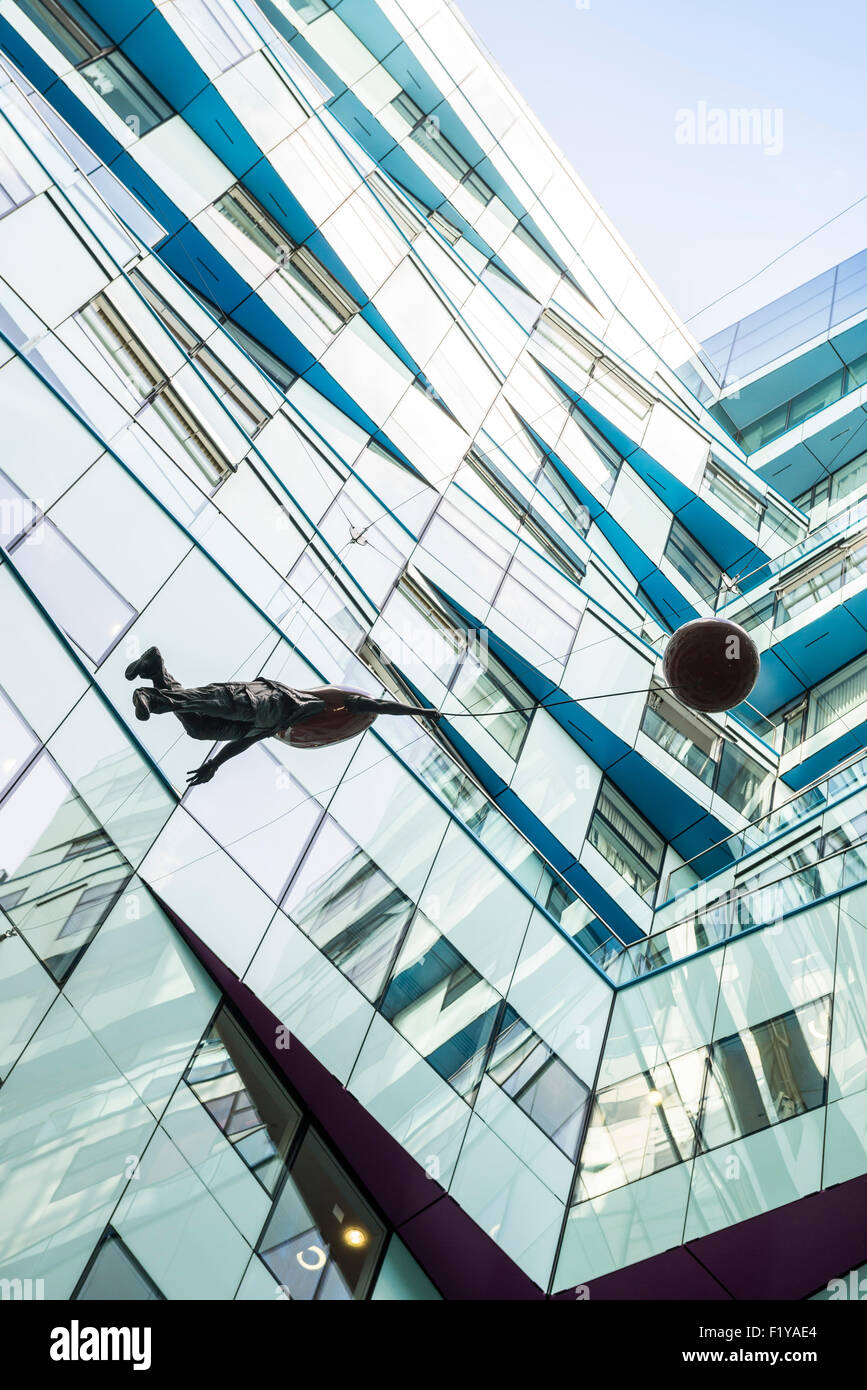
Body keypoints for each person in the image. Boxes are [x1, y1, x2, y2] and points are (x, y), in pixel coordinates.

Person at [126, 646, 441, 787]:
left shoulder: (280, 728)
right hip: (265, 700)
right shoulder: (321, 704)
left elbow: (244, 743)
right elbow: (382, 707)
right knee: (211, 702)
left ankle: (156, 668)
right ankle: (152, 699)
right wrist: (422, 712)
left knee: (197, 727)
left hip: (260, 724)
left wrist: (214, 764)